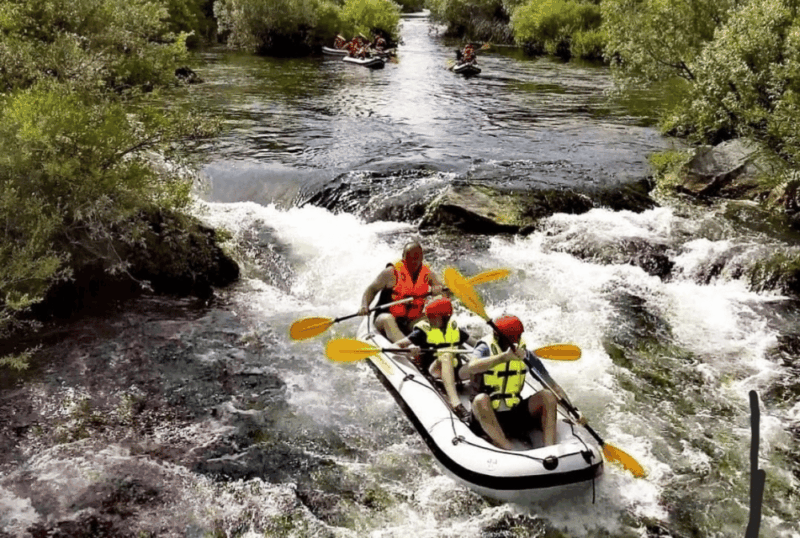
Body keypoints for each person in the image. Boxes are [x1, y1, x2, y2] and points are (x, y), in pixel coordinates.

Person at [459, 315, 584, 450]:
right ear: (496, 336)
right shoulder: (485, 347)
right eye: (510, 338)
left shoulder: (524, 353)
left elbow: (552, 385)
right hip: (487, 414)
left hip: (514, 412)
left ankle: (551, 448)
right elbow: (472, 367)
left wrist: (573, 411)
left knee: (548, 395)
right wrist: (503, 358)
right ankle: (507, 448)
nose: (514, 342)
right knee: (480, 400)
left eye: (517, 337)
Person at [396, 297, 477, 421]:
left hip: (457, 372)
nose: (429, 319)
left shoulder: (454, 329)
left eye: (433, 316)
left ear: (445, 318)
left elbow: (478, 345)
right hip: (434, 371)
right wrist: (410, 349)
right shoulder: (422, 331)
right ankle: (456, 405)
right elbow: (396, 346)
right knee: (446, 355)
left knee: (481, 360)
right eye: (429, 316)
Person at [358, 241, 445, 342]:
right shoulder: (390, 273)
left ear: (421, 258)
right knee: (388, 319)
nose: (413, 262)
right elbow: (371, 290)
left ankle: (441, 345)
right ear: (403, 257)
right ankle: (408, 348)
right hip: (384, 319)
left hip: (410, 321)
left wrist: (438, 291)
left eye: (417, 258)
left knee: (435, 317)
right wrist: (364, 305)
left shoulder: (428, 274)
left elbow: (445, 293)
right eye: (410, 258)